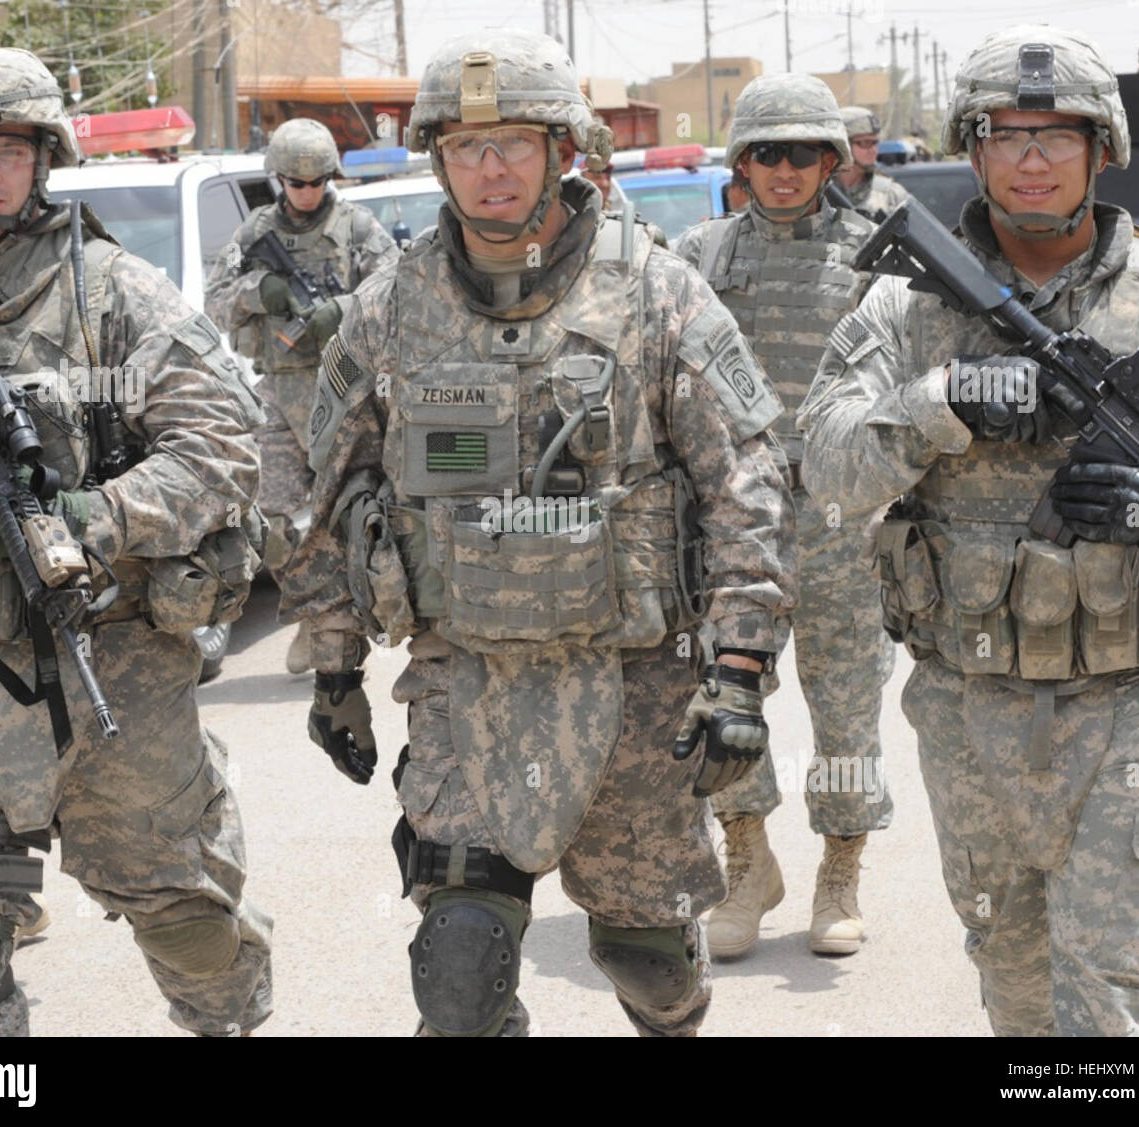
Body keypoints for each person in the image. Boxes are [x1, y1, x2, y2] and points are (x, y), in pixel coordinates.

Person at [293, 29, 796, 1036]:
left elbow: (746, 476)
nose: (491, 167)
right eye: (468, 145)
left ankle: (673, 1000)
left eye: (515, 142)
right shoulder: (389, 305)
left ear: (561, 149)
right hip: (465, 675)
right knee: (457, 967)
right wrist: (335, 663)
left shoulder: (655, 290)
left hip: (636, 682)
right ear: (436, 155)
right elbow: (325, 488)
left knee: (643, 959)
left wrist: (738, 664)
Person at [800, 24, 1139, 1036]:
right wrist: (945, 399)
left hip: (1137, 703)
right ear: (970, 149)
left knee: (1107, 985)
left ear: (1102, 150)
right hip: (969, 704)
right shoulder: (900, 306)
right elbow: (825, 468)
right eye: (1003, 133)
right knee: (1012, 980)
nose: (1029, 156)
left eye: (1056, 135)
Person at [0, 47, 273, 1036]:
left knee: (196, 937)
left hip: (120, 660)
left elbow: (223, 449)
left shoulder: (117, 292)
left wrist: (87, 519)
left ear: (41, 158)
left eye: (5, 148)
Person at [675, 75, 893, 960]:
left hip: (842, 516)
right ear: (742, 162)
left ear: (832, 160)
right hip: (737, 519)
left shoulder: (880, 255)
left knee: (844, 706)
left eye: (803, 152)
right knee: (728, 696)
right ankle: (747, 860)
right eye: (766, 153)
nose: (784, 169)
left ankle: (839, 869)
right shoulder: (700, 254)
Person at [206, 119, 399, 675]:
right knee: (265, 515)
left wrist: (344, 310)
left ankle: (337, 619)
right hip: (280, 388)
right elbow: (216, 302)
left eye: (317, 183)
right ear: (279, 181)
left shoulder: (358, 228)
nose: (308, 193)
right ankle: (312, 614)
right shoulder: (254, 234)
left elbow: (398, 287)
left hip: (345, 387)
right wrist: (257, 293)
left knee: (345, 510)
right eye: (297, 183)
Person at [834, 106, 911, 223]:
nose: (874, 150)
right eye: (865, 143)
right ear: (843, 145)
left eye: (875, 143)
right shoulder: (815, 194)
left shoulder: (892, 195)